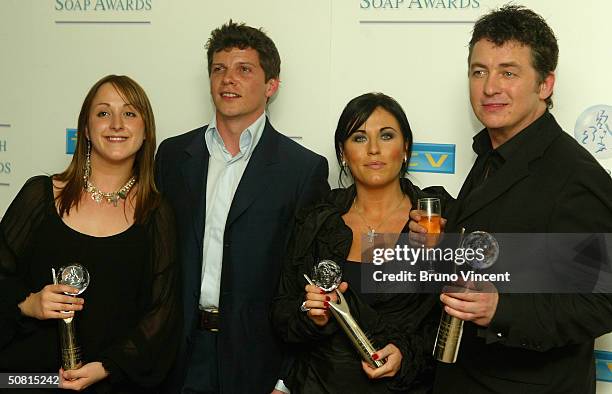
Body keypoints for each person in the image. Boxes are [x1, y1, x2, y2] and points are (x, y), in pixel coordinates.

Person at [410, 5, 612, 393]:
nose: (489, 87)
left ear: (545, 85)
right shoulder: (491, 154)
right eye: (479, 71)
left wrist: (500, 309)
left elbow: (600, 301)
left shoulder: (575, 175)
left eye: (508, 72)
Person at [154, 21, 329, 394]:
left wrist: (285, 378)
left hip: (257, 364)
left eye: (243, 69)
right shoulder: (172, 156)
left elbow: (305, 280)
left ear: (271, 85)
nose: (227, 79)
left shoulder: (302, 170)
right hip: (178, 357)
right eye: (219, 69)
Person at [0, 74, 181, 393]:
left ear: (145, 131)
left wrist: (107, 367)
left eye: (129, 113)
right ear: (85, 128)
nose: (115, 124)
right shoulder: (39, 195)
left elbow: (162, 315)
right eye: (103, 112)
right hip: (29, 381)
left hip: (110, 385)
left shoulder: (156, 213)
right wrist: (29, 303)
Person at [271, 93, 444, 393]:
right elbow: (282, 311)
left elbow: (452, 322)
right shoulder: (318, 219)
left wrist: (406, 353)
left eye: (386, 136)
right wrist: (313, 317)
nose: (374, 150)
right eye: (359, 138)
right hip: (319, 385)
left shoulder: (435, 218)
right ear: (343, 152)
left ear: (405, 148)